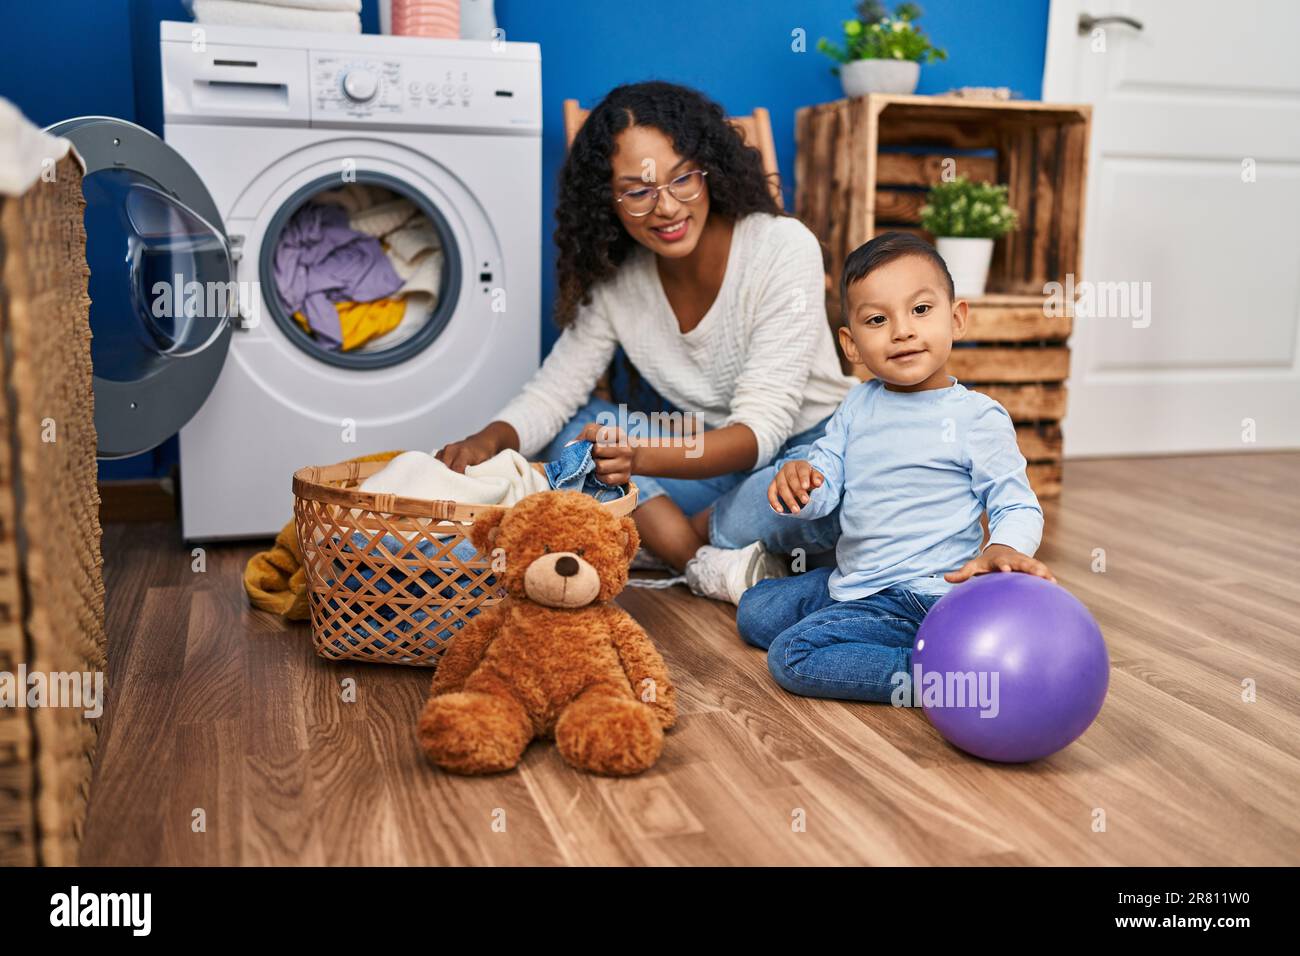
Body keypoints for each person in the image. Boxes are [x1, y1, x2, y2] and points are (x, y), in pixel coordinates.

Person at [437, 81, 855, 603]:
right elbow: (555, 392)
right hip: (706, 461)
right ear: (605, 200)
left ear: (709, 169)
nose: (667, 208)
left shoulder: (780, 246)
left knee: (824, 497)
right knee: (578, 433)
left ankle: (683, 535)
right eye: (638, 190)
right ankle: (704, 560)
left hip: (809, 454)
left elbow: (761, 432)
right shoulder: (618, 280)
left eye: (682, 179)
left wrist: (641, 460)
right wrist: (487, 439)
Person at [736, 232, 1053, 702]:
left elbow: (1016, 504)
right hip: (857, 581)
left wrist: (1001, 550)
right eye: (878, 319)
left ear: (957, 318)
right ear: (852, 344)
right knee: (755, 610)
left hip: (920, 596)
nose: (901, 330)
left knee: (792, 656)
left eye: (921, 310)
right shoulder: (858, 404)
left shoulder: (976, 417)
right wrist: (802, 483)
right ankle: (857, 633)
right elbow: (826, 481)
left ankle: (936, 676)